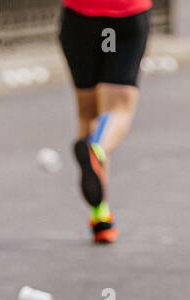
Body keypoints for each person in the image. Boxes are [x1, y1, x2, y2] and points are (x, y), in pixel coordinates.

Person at [58, 0, 152, 243]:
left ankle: (100, 216)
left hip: (79, 19)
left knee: (88, 115)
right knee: (118, 109)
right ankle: (96, 149)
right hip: (125, 15)